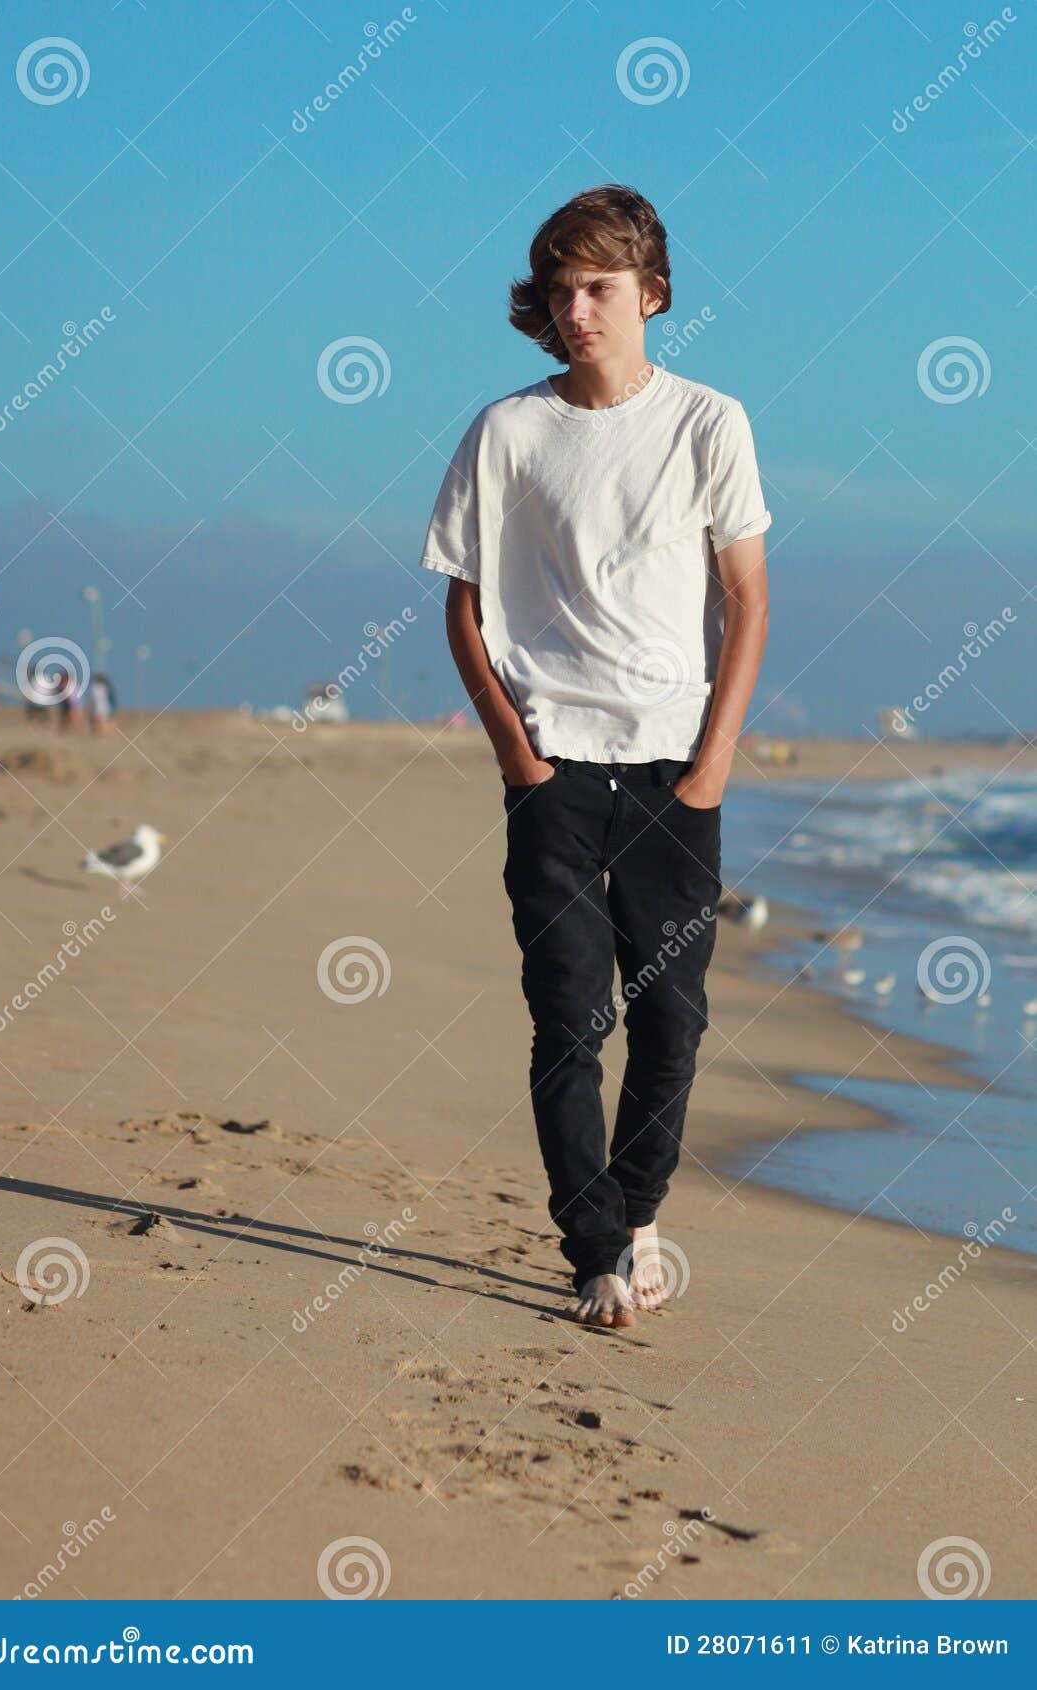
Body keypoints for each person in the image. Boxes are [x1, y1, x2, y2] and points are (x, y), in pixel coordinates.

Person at [419, 185, 771, 1328]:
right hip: (554, 774)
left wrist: (712, 764)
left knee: (672, 1015)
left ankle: (640, 1209)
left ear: (650, 295)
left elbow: (746, 601)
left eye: (599, 289)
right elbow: (462, 609)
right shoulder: (507, 431)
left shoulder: (708, 422)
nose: (577, 309)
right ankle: (594, 1254)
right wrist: (515, 753)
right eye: (561, 290)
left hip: (674, 771)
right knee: (568, 1017)